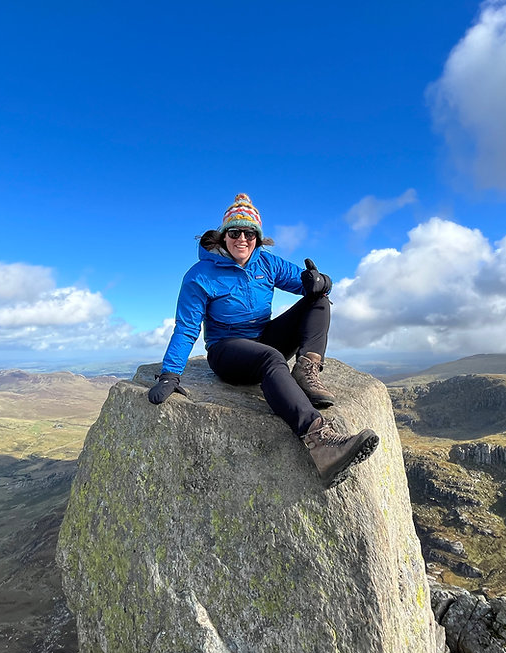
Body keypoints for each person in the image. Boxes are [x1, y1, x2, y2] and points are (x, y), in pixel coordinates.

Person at [146, 193, 379, 488]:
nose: (241, 239)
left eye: (249, 233)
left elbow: (308, 282)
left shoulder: (266, 263)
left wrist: (322, 281)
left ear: (258, 237)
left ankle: (307, 372)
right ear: (223, 236)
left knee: (318, 300)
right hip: (226, 351)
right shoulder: (200, 276)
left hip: (263, 338)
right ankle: (320, 442)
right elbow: (187, 327)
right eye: (234, 232)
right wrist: (169, 374)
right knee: (271, 358)